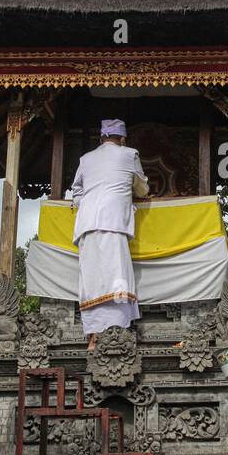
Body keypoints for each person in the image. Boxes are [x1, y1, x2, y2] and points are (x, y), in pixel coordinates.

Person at [68, 119, 149, 350]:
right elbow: (142, 187)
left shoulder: (86, 159)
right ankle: (116, 329)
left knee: (92, 278)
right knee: (116, 274)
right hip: (113, 221)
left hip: (87, 223)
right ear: (122, 139)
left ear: (100, 138)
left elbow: (77, 191)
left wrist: (84, 204)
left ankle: (94, 334)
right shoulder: (130, 154)